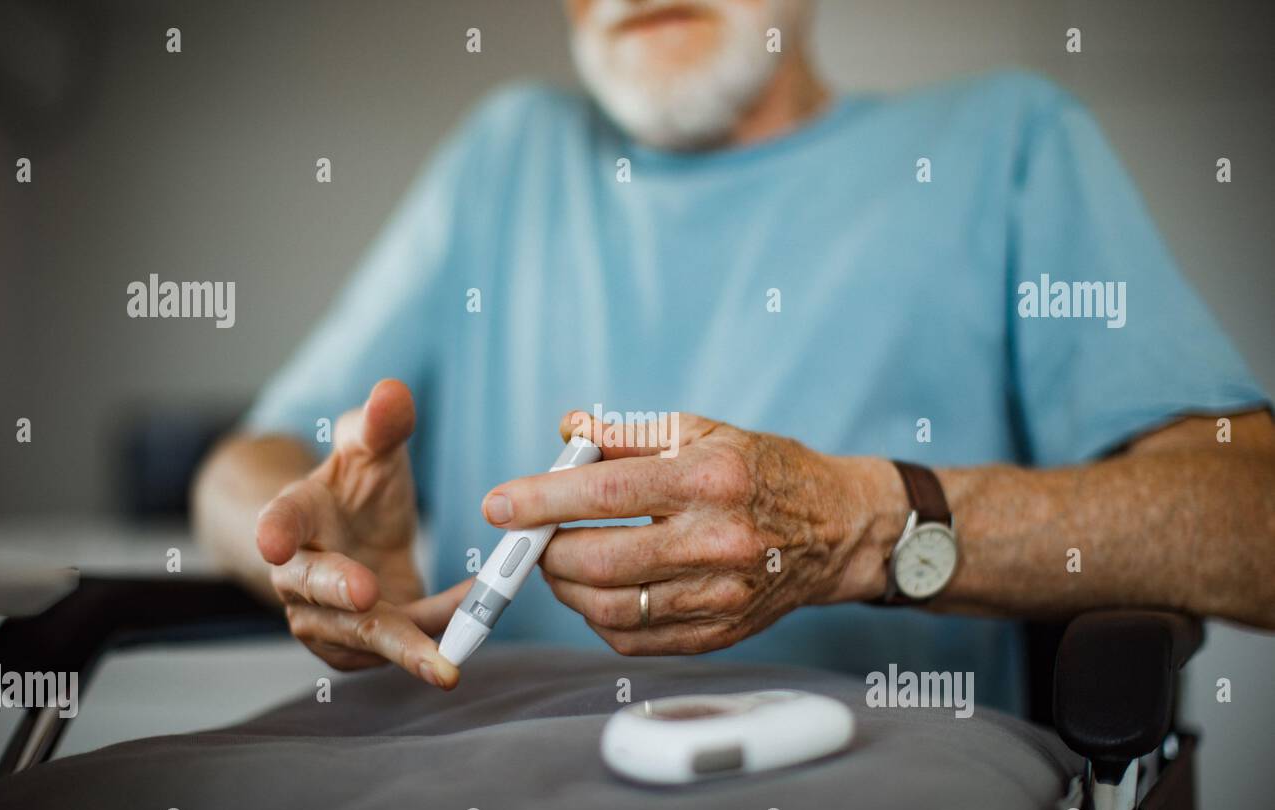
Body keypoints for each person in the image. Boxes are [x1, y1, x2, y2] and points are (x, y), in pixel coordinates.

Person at [192, 0, 1274, 713]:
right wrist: (302, 541)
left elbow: (1254, 517)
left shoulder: (1006, 141)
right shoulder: (505, 154)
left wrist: (864, 525)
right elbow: (239, 474)